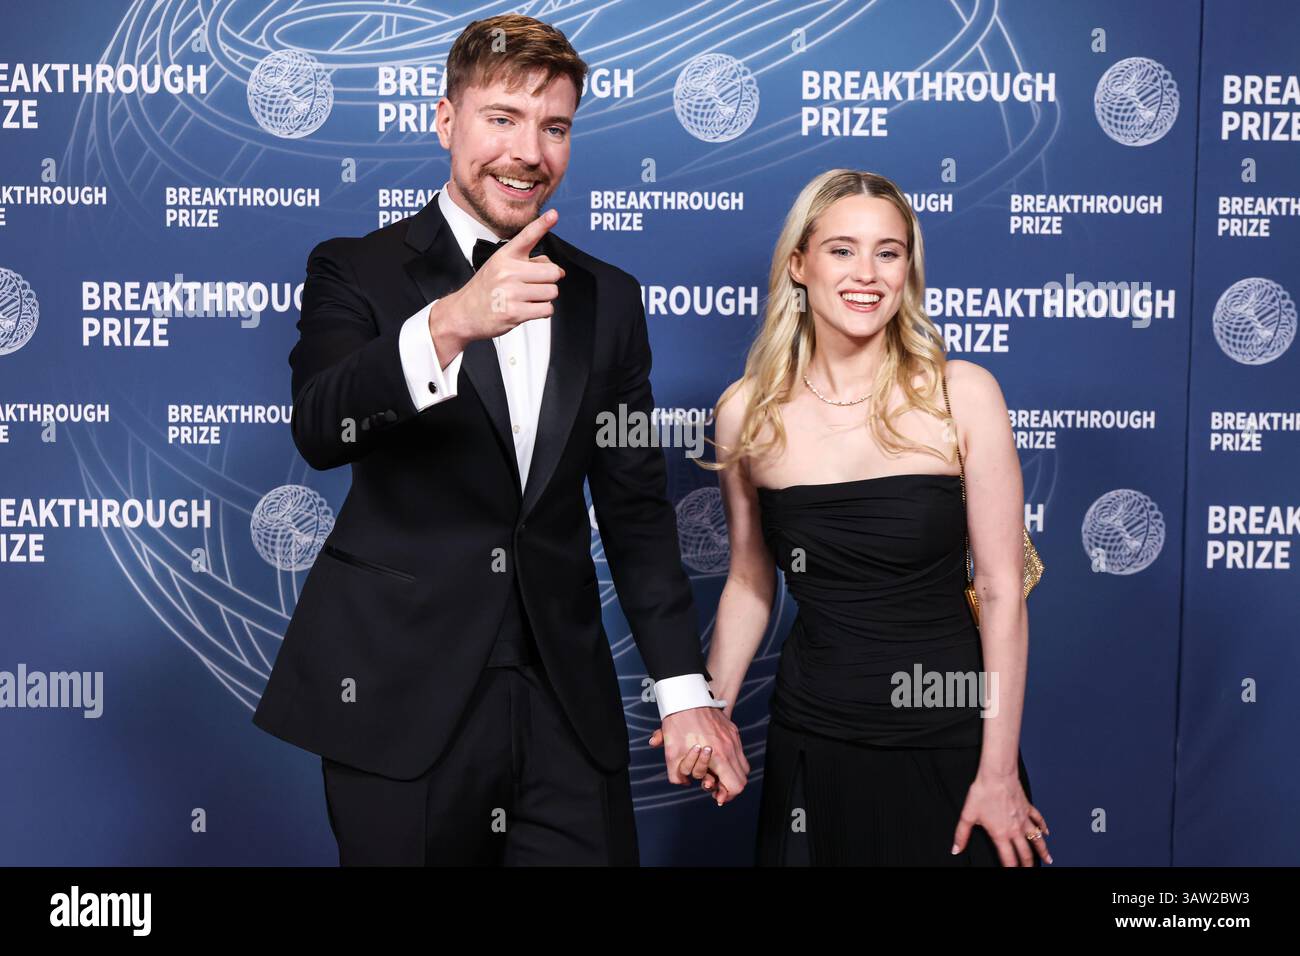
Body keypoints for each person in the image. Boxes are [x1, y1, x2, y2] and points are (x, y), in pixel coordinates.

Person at [252, 13, 747, 866]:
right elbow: (322, 426)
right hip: (398, 693)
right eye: (502, 119)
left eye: (554, 127)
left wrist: (681, 690)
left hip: (564, 699)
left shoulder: (608, 298)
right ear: (446, 121)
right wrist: (449, 324)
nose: (528, 151)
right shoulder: (356, 268)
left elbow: (633, 512)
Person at [688, 168, 1050, 865]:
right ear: (799, 263)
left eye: (889, 251)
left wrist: (998, 770)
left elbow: (1003, 590)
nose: (868, 273)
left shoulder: (963, 394)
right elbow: (750, 583)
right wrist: (713, 715)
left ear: (908, 269)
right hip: (814, 736)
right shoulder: (745, 412)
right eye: (842, 249)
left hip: (949, 736)